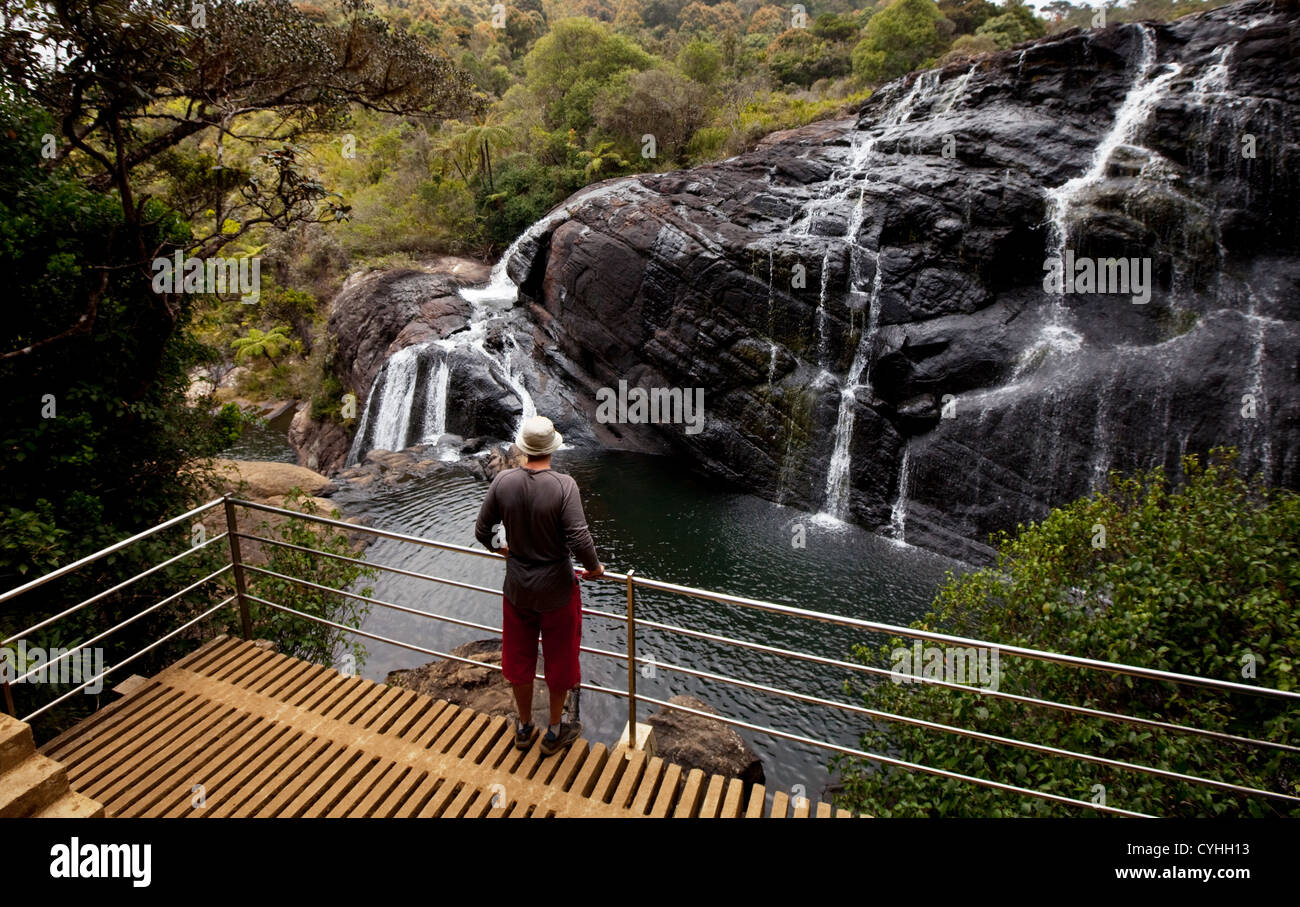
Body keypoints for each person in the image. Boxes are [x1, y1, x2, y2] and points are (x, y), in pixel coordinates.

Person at [474, 415, 605, 756]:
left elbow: (481, 531)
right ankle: (555, 731)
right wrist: (594, 567)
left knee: (519, 657)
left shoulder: (503, 481)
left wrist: (501, 548)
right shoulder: (564, 486)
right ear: (551, 449)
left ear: (524, 448)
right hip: (558, 589)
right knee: (560, 659)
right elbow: (579, 537)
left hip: (517, 586)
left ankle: (523, 726)